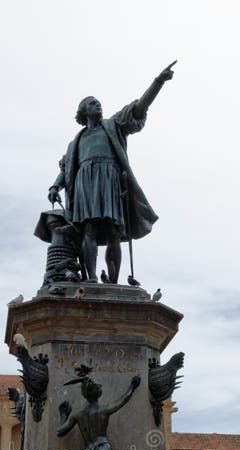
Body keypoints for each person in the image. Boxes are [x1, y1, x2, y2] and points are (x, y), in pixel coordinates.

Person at [47, 61, 176, 284]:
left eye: (98, 102)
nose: (97, 104)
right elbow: (67, 168)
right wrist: (55, 186)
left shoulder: (113, 125)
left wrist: (158, 83)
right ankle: (92, 277)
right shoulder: (75, 142)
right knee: (88, 229)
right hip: (84, 183)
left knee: (114, 230)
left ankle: (114, 281)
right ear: (82, 112)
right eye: (91, 103)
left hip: (109, 179)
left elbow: (138, 108)